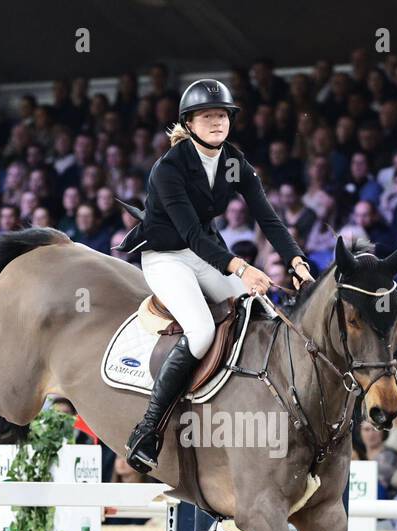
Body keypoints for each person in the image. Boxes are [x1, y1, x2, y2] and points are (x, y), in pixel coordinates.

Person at [120, 79, 313, 473]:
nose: (216, 122)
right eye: (207, 116)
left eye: (222, 115)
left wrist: (297, 263)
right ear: (189, 123)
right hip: (167, 257)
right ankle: (148, 428)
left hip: (206, 252)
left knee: (260, 312)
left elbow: (268, 218)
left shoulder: (234, 162)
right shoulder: (168, 169)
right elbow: (190, 234)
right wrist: (242, 268)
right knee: (202, 330)